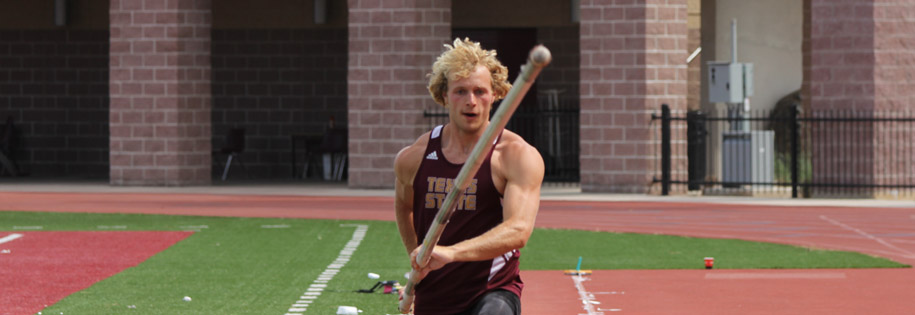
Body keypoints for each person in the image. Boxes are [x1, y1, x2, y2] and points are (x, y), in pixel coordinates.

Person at [393, 38, 544, 315]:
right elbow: (404, 207)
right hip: (435, 292)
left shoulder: (515, 156)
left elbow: (518, 230)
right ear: (444, 95)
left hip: (492, 291)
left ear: (496, 93)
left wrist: (451, 253)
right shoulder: (414, 157)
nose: (471, 102)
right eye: (460, 91)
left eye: (480, 91)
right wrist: (418, 257)